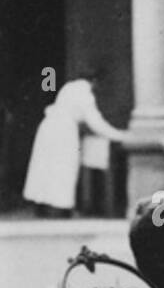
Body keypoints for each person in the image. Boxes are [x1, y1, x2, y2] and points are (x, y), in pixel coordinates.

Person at [23, 71, 125, 218]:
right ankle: (59, 209)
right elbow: (95, 122)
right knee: (62, 170)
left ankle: (43, 207)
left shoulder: (68, 88)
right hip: (63, 133)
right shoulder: (84, 92)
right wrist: (119, 135)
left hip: (48, 128)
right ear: (94, 81)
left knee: (45, 168)